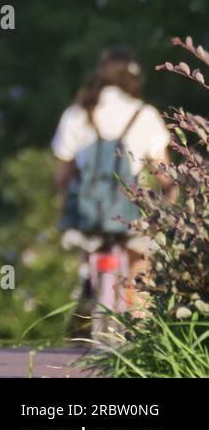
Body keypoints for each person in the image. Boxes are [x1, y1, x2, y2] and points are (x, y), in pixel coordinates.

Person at [51, 48, 171, 296]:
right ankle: (139, 320)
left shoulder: (78, 112)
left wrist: (66, 204)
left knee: (87, 252)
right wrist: (168, 209)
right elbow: (165, 175)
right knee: (141, 265)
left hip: (88, 215)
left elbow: (62, 176)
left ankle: (86, 286)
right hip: (130, 215)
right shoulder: (145, 114)